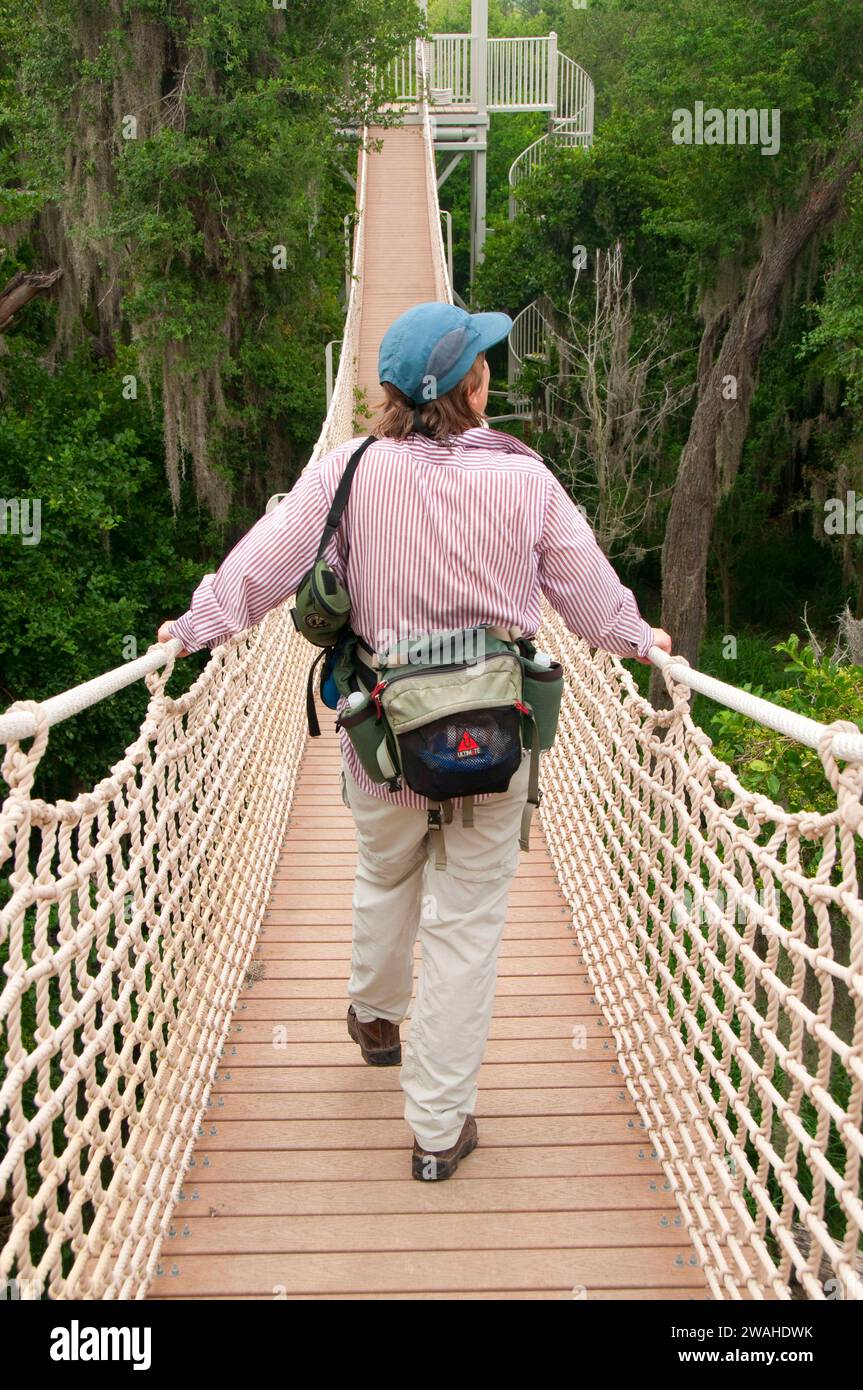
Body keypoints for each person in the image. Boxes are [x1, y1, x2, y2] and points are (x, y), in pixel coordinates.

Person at [158, 301, 672, 1181]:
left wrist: (192, 629)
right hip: (494, 743)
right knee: (465, 931)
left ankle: (374, 1015)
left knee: (385, 871)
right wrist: (638, 638)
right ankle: (436, 1133)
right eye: (484, 364)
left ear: (396, 392)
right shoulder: (526, 479)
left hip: (382, 739)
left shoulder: (347, 470)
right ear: (471, 387)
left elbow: (260, 568)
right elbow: (590, 601)